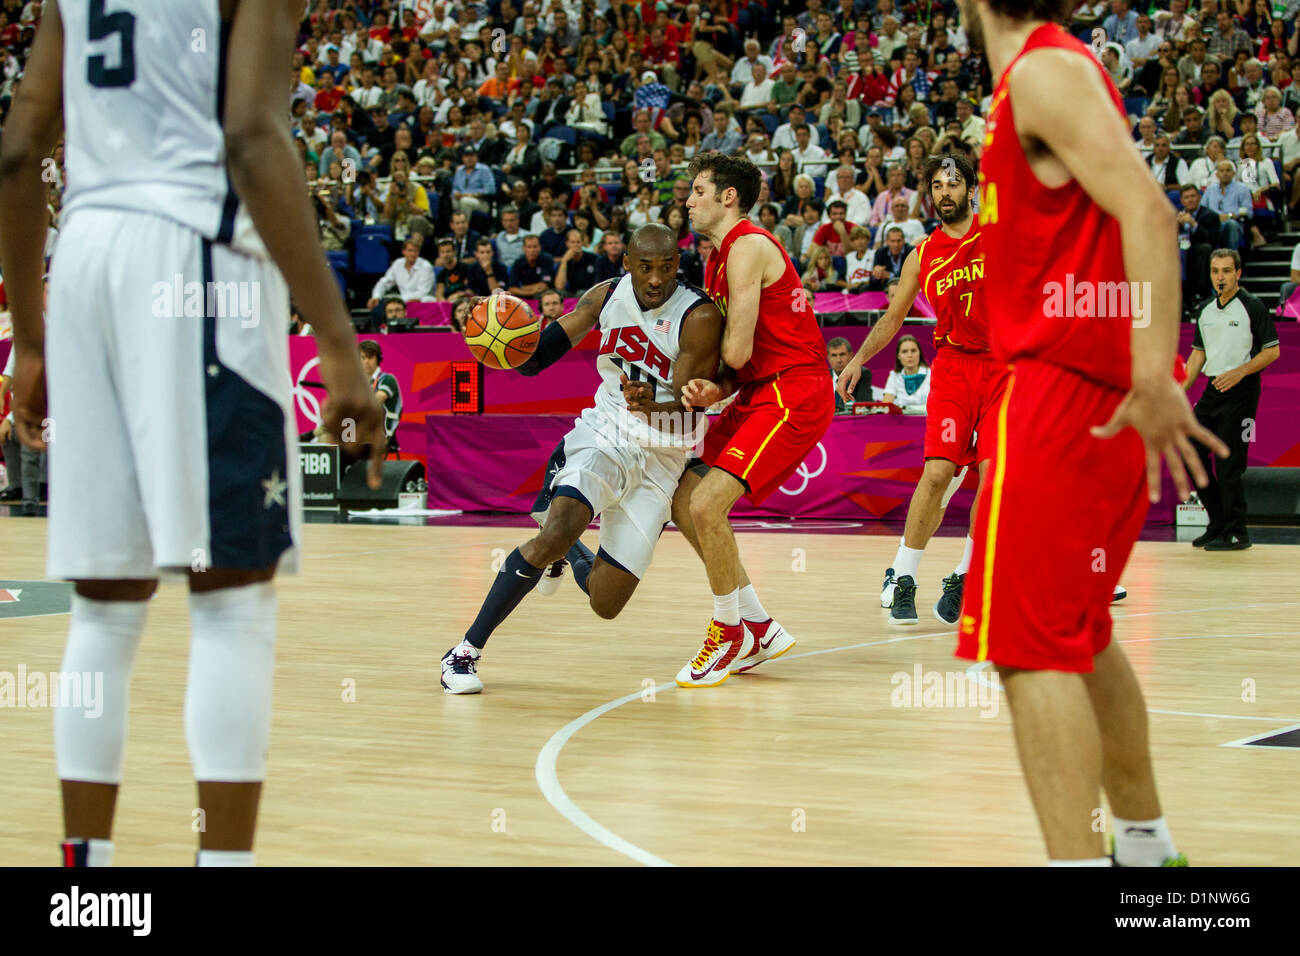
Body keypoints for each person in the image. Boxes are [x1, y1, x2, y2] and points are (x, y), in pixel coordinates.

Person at [0, 0, 385, 868]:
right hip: (197, 263)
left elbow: (20, 148)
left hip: (86, 255)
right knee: (230, 601)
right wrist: (336, 341)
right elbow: (251, 137)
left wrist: (30, 336)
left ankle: (86, 886)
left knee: (103, 605)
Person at [951, 0, 1228, 866]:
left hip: (1065, 389)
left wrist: (1153, 372)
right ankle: (1147, 854)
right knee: (1079, 631)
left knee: (1024, 648)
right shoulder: (1032, 79)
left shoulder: (1042, 71)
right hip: (1072, 387)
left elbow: (1149, 211)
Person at [439, 225, 727, 694]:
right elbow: (538, 359)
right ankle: (464, 653)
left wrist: (652, 399)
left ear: (680, 264)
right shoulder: (606, 295)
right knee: (556, 529)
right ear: (627, 264)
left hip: (665, 456)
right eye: (645, 267)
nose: (656, 278)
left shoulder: (697, 315)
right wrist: (506, 341)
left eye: (667, 267)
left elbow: (688, 401)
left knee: (605, 601)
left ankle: (568, 548)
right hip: (607, 431)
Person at [676, 153, 835, 688]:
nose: (688, 199)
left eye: (698, 190)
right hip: (757, 389)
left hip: (794, 389)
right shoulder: (714, 259)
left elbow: (738, 352)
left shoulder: (747, 246)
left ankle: (729, 631)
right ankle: (759, 626)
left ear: (728, 197)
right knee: (685, 502)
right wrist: (709, 386)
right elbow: (733, 369)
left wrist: (702, 368)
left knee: (706, 504)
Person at [837, 155, 1004, 625]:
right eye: (937, 185)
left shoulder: (998, 235)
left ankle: (967, 574)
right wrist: (857, 360)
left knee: (994, 479)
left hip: (1003, 369)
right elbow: (892, 320)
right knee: (938, 473)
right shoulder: (922, 254)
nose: (945, 192)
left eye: (954, 183)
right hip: (953, 368)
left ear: (972, 190)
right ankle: (903, 574)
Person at [1183, 249, 1280, 550]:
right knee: (1190, 449)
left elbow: (1272, 351)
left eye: (1226, 271)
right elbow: (1199, 354)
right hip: (1214, 390)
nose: (1220, 277)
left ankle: (1238, 531)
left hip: (1243, 390)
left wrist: (1240, 372)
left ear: (1238, 273)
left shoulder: (1252, 306)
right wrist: (1177, 392)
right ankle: (1217, 523)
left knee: (1228, 464)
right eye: (1215, 271)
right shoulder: (1205, 309)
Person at [828, 336, 871, 411]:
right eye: (834, 355)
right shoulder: (822, 377)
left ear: (851, 356)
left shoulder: (862, 374)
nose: (838, 360)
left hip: (851, 420)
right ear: (828, 358)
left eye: (842, 354)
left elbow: (863, 404)